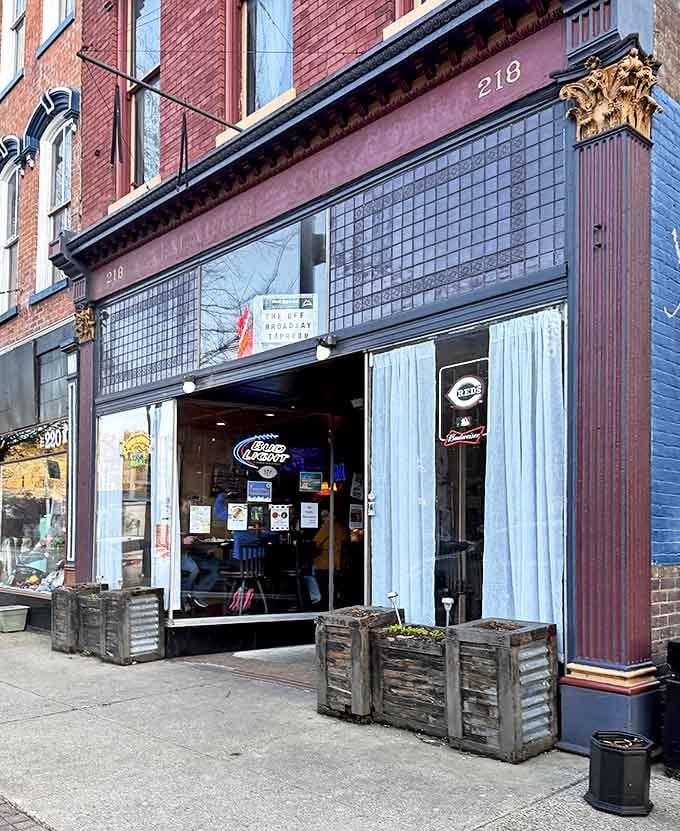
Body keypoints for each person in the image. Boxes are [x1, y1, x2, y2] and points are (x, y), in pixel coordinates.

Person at [313, 508, 349, 608]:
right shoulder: (342, 527)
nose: (323, 519)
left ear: (333, 516)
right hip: (338, 563)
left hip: (325, 563)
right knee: (334, 586)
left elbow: (316, 543)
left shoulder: (327, 526)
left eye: (325, 516)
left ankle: (321, 603)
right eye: (322, 516)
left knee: (322, 585)